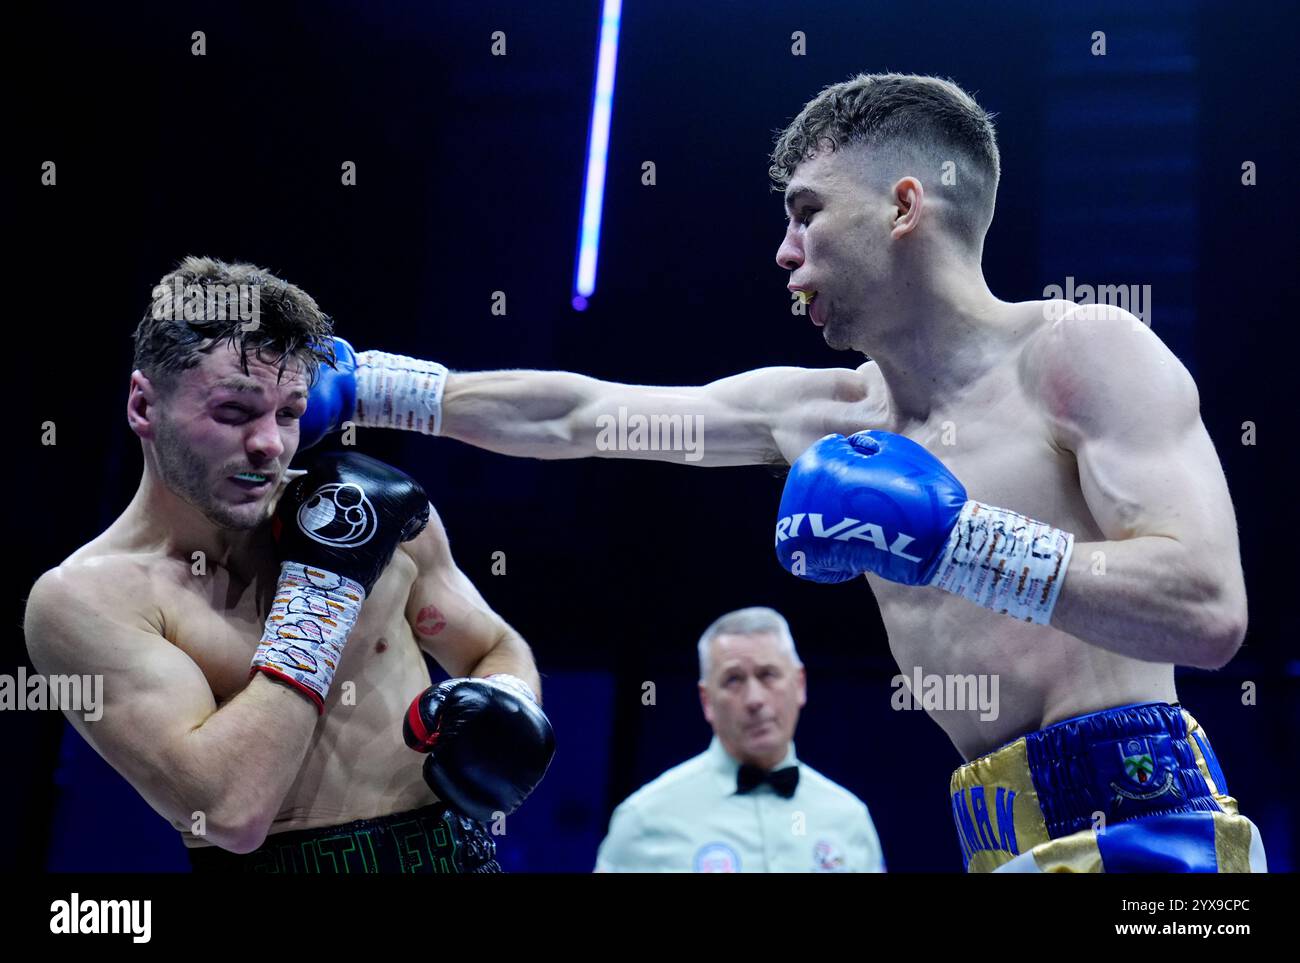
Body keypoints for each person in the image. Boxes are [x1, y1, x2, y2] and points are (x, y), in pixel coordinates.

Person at [296, 72, 1266, 872]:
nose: (783, 252)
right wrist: (378, 389)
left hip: (1150, 831)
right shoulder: (826, 416)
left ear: (902, 206)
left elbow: (1208, 610)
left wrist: (956, 538)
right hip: (999, 843)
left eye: (806, 215)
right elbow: (585, 415)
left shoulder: (1081, 352)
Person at [23, 256, 553, 874]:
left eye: (290, 412)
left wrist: (506, 704)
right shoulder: (87, 600)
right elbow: (230, 812)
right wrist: (324, 587)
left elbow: (492, 644)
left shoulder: (369, 513)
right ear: (144, 405)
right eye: (233, 412)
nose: (269, 443)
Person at [595, 607, 884, 873]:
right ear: (706, 701)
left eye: (768, 675)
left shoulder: (849, 819)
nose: (755, 699)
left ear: (799, 684)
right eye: (733, 680)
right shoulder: (644, 819)